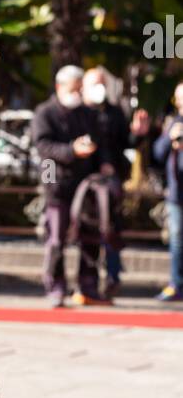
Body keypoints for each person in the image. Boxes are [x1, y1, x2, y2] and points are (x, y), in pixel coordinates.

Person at [31, 65, 101, 307]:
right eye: (74, 89)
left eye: (81, 89)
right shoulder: (44, 113)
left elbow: (99, 142)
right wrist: (72, 150)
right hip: (56, 184)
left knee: (90, 235)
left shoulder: (87, 114)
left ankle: (88, 285)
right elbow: (43, 147)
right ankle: (55, 285)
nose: (79, 93)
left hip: (85, 186)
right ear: (60, 87)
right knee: (57, 238)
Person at [80, 67, 151, 300]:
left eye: (102, 83)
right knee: (86, 233)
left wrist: (138, 133)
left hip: (111, 183)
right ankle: (86, 285)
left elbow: (126, 143)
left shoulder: (114, 112)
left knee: (111, 231)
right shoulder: (77, 113)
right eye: (95, 83)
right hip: (84, 185)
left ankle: (112, 278)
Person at [153, 80, 183, 302]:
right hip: (177, 192)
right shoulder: (173, 123)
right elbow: (158, 154)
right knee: (177, 239)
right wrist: (170, 139)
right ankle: (176, 283)